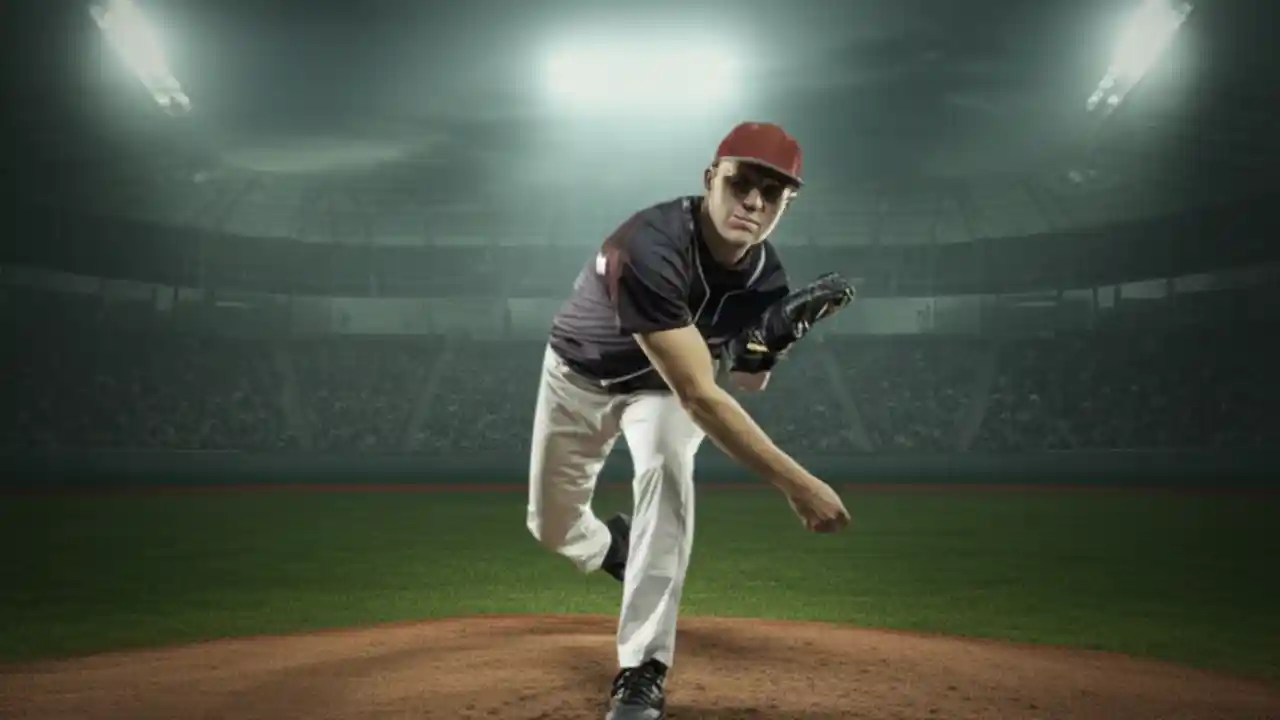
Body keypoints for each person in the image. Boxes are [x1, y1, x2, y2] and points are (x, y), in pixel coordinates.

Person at [527, 121, 854, 720]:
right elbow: (703, 394)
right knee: (550, 526)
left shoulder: (765, 277)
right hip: (578, 377)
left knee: (668, 466)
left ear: (787, 204)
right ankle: (615, 549)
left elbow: (743, 380)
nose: (754, 202)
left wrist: (772, 343)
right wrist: (799, 485)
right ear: (711, 180)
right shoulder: (649, 245)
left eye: (773, 193)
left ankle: (642, 667)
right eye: (741, 183)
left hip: (660, 393)